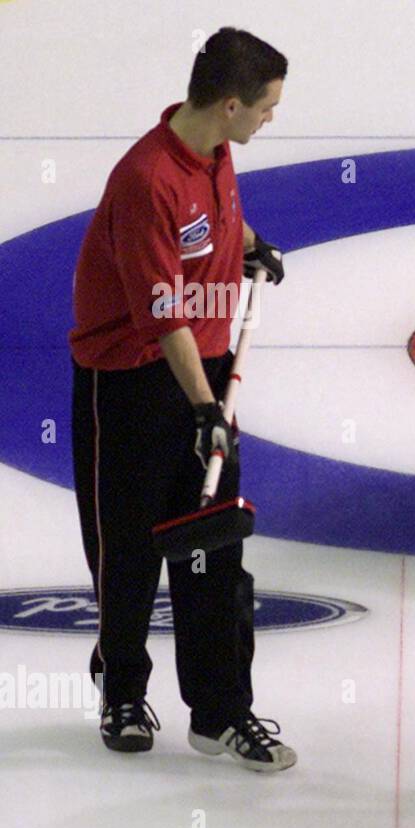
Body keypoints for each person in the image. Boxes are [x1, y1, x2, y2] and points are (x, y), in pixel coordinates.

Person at [69, 27, 295, 771]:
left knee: (213, 540)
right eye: (265, 108)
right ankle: (123, 690)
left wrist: (252, 242)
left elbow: (215, 221)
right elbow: (161, 314)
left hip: (202, 366)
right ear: (229, 104)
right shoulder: (144, 180)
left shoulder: (214, 149)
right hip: (131, 380)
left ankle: (221, 709)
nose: (269, 119)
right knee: (129, 547)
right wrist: (205, 408)